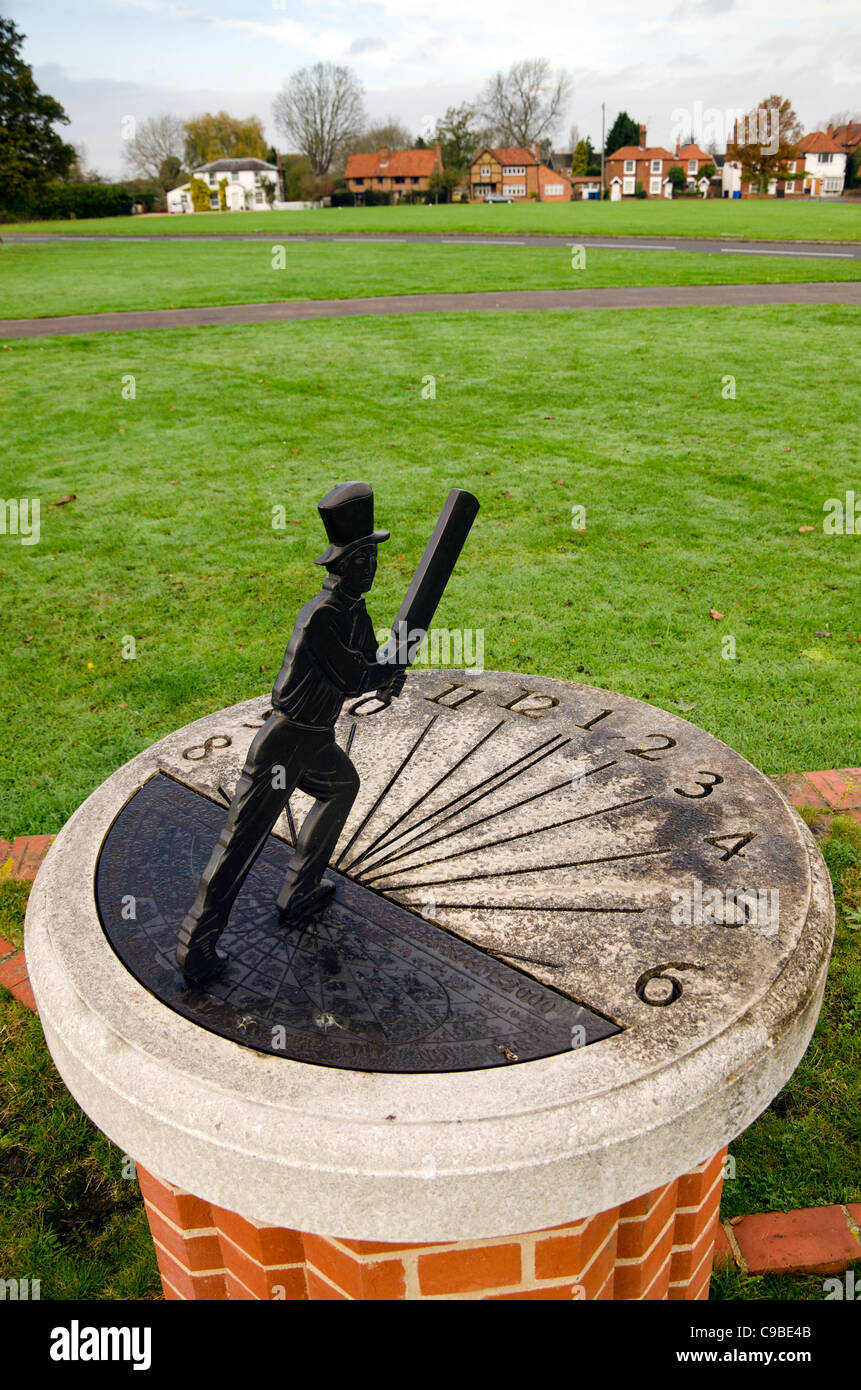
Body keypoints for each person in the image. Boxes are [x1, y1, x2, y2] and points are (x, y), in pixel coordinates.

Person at [176, 481, 405, 984]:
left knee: (342, 787)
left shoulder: (355, 612)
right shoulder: (321, 617)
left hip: (316, 739)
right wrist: (380, 673)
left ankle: (299, 891)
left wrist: (391, 673)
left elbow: (369, 663)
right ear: (343, 565)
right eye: (365, 561)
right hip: (285, 742)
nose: (372, 569)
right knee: (241, 844)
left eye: (374, 560)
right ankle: (196, 945)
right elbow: (351, 675)